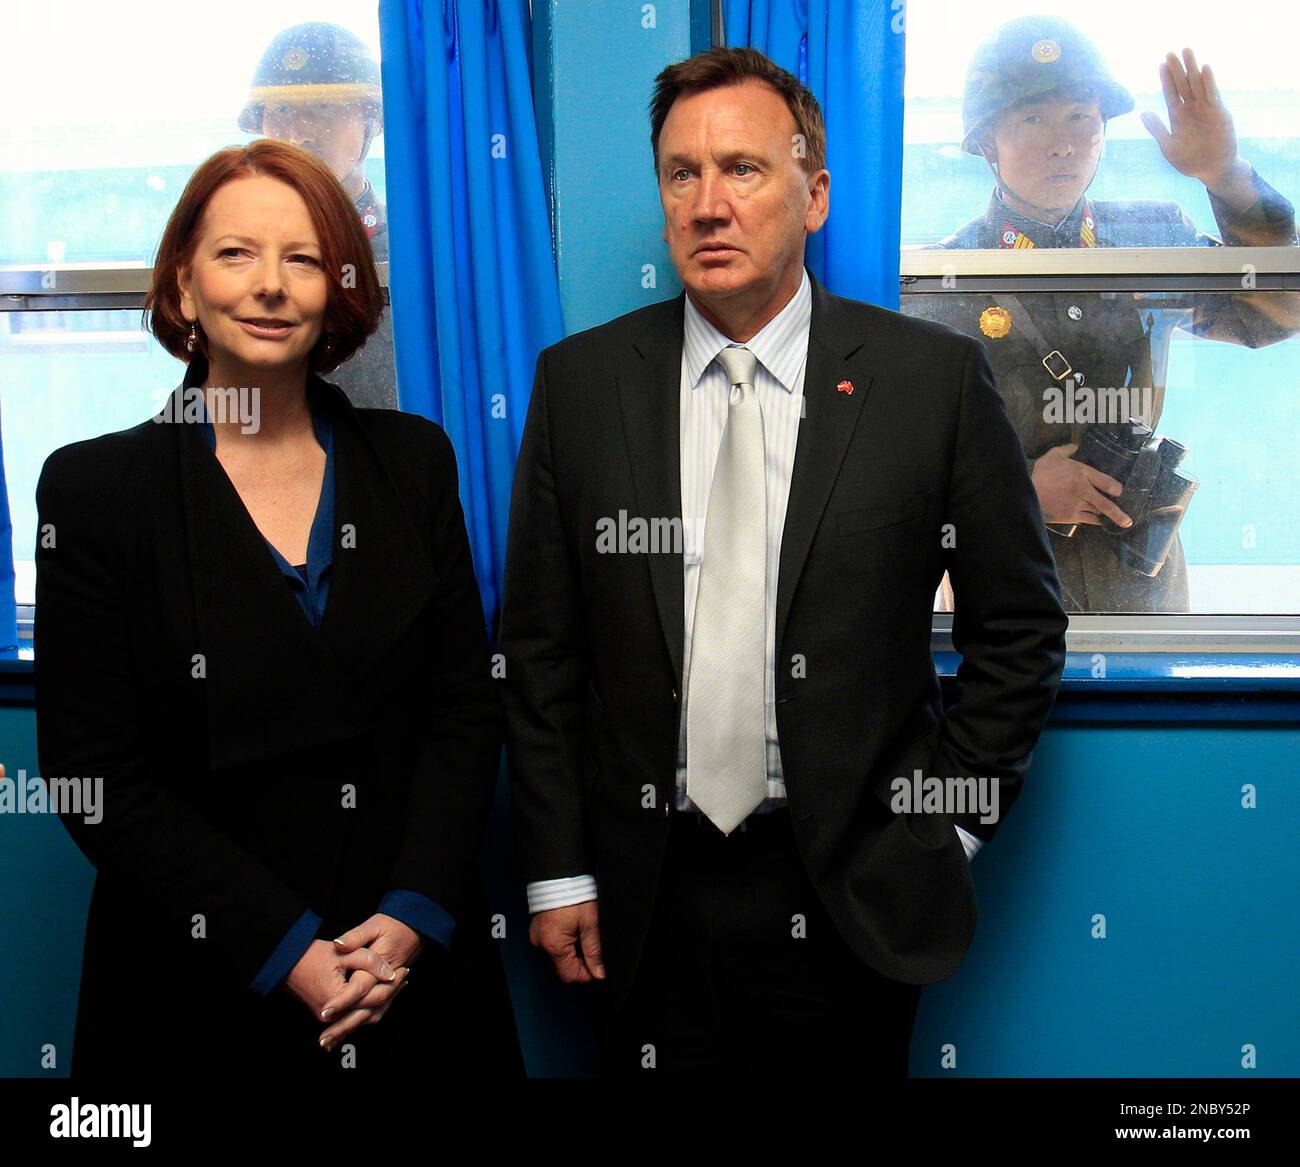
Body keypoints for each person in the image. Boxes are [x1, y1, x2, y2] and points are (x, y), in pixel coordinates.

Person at [498, 47, 1068, 1077]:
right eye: (682, 173)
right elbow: (539, 652)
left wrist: (940, 833)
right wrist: (558, 871)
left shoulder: (928, 382)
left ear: (814, 195)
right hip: (643, 891)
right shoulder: (581, 386)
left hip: (853, 889)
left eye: (743, 169)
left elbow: (1020, 631)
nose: (708, 204)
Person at [33, 138, 521, 1080]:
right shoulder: (96, 492)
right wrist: (288, 949)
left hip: (404, 967)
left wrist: (410, 915)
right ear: (184, 288)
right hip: (197, 978)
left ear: (337, 289)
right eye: (236, 253)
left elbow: (464, 712)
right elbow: (96, 777)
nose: (269, 284)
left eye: (303, 258)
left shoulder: (414, 462)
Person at [918, 16, 1300, 612]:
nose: (1063, 143)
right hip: (1002, 587)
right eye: (1033, 119)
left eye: (1081, 117)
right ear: (987, 141)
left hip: (1140, 579)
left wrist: (1224, 175)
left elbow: (1274, 313)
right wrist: (1020, 488)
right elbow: (903, 464)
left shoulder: (1150, 236)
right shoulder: (944, 280)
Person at [240, 21, 398, 410]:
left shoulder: (412, 250)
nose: (298, 134)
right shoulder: (234, 254)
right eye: (281, 111)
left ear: (373, 119)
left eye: (323, 106)